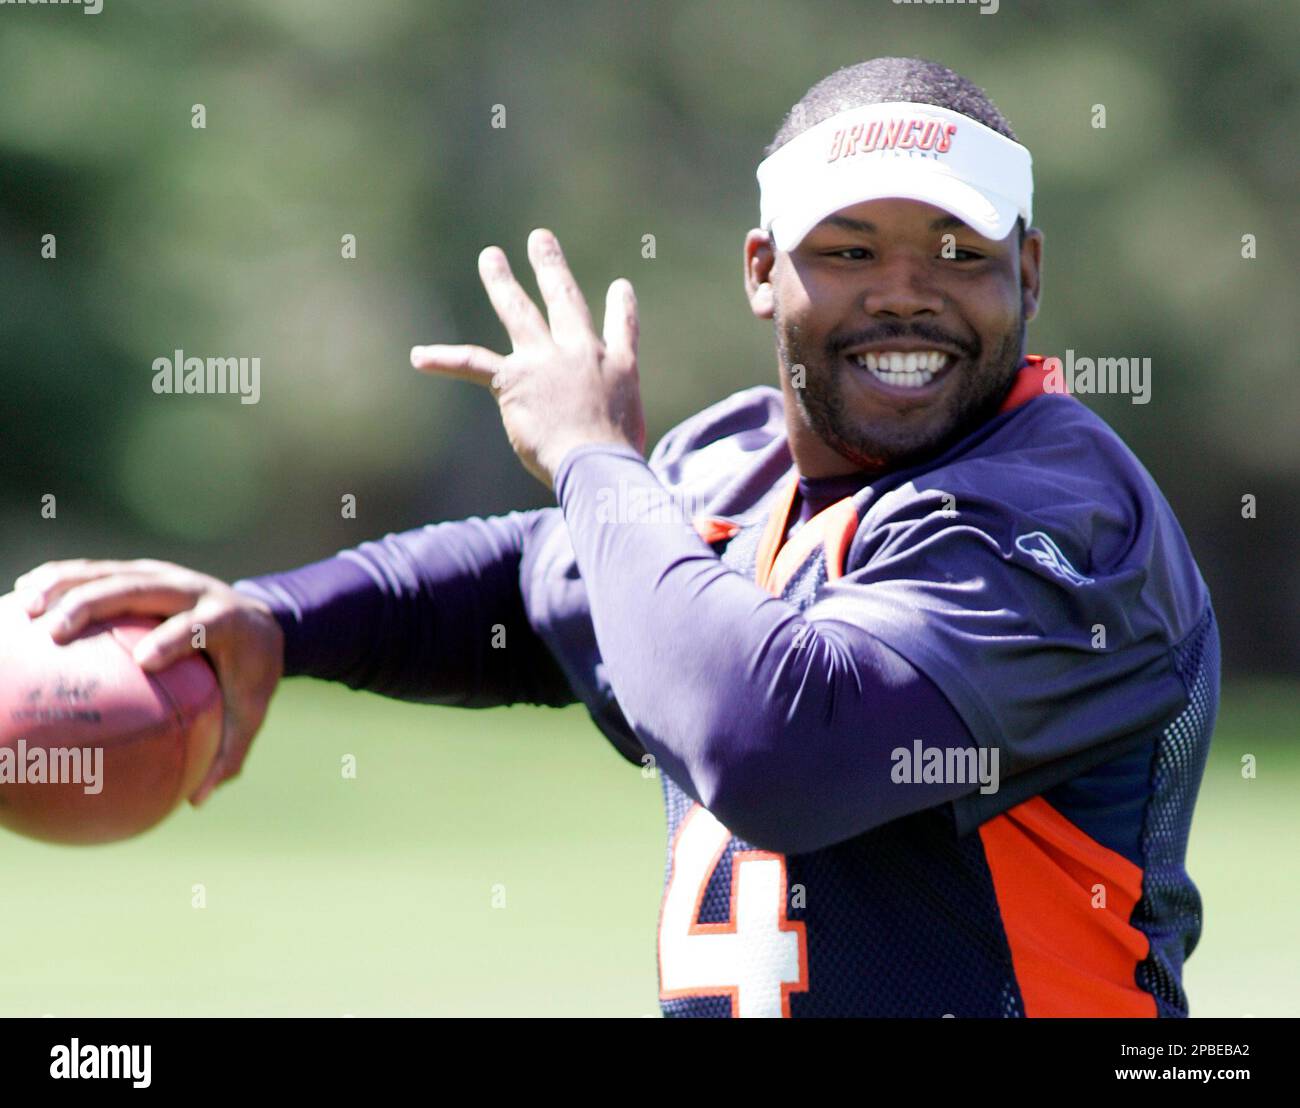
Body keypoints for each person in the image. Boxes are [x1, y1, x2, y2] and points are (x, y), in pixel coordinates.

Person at [13, 57, 1218, 1018]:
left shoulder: (1060, 518)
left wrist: (594, 459)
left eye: (957, 253)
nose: (904, 292)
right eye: (848, 250)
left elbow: (771, 746)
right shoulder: (728, 472)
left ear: (1028, 270)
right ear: (763, 270)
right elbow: (534, 589)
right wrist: (278, 616)